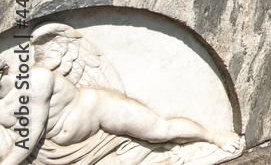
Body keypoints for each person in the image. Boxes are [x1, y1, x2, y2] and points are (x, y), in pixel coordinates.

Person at [0, 26, 243, 165]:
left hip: (100, 112)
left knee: (160, 131)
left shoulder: (35, 79)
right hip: (60, 151)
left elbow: (30, 134)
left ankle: (212, 137)